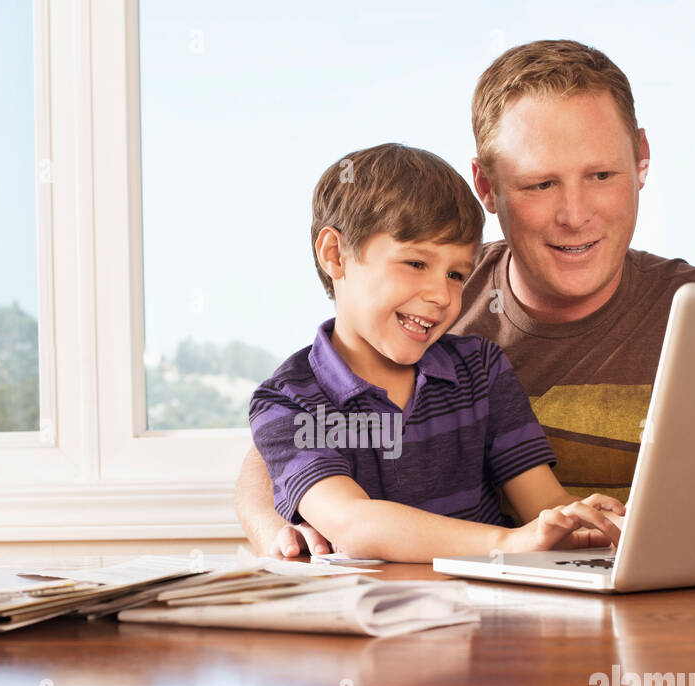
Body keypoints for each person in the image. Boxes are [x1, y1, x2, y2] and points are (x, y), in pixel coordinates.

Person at [237, 39, 695, 557]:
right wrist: (270, 525)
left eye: (601, 175)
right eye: (540, 184)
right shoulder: (429, 320)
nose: (574, 214)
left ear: (641, 159)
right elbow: (281, 448)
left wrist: (587, 527)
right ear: (487, 186)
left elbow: (546, 507)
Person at [248, 143, 624, 563]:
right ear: (336, 255)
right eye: (415, 264)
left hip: (488, 612)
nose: (441, 295)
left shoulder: (480, 369)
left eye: (456, 274)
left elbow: (542, 504)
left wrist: (583, 520)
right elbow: (353, 523)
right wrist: (508, 543)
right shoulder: (287, 402)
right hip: (375, 617)